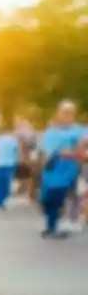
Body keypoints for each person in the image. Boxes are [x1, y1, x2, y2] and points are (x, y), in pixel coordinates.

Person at [38, 100, 85, 238]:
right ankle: (51, 225)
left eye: (70, 112)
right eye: (64, 112)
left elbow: (83, 147)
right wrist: (76, 152)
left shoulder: (79, 130)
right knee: (48, 199)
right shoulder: (52, 132)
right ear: (59, 113)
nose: (67, 115)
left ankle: (56, 226)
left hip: (72, 170)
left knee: (66, 197)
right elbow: (55, 152)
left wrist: (77, 152)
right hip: (54, 168)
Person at [0, 124, 21, 210]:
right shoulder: (13, 140)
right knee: (6, 183)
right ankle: (2, 201)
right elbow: (17, 150)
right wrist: (18, 160)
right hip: (9, 164)